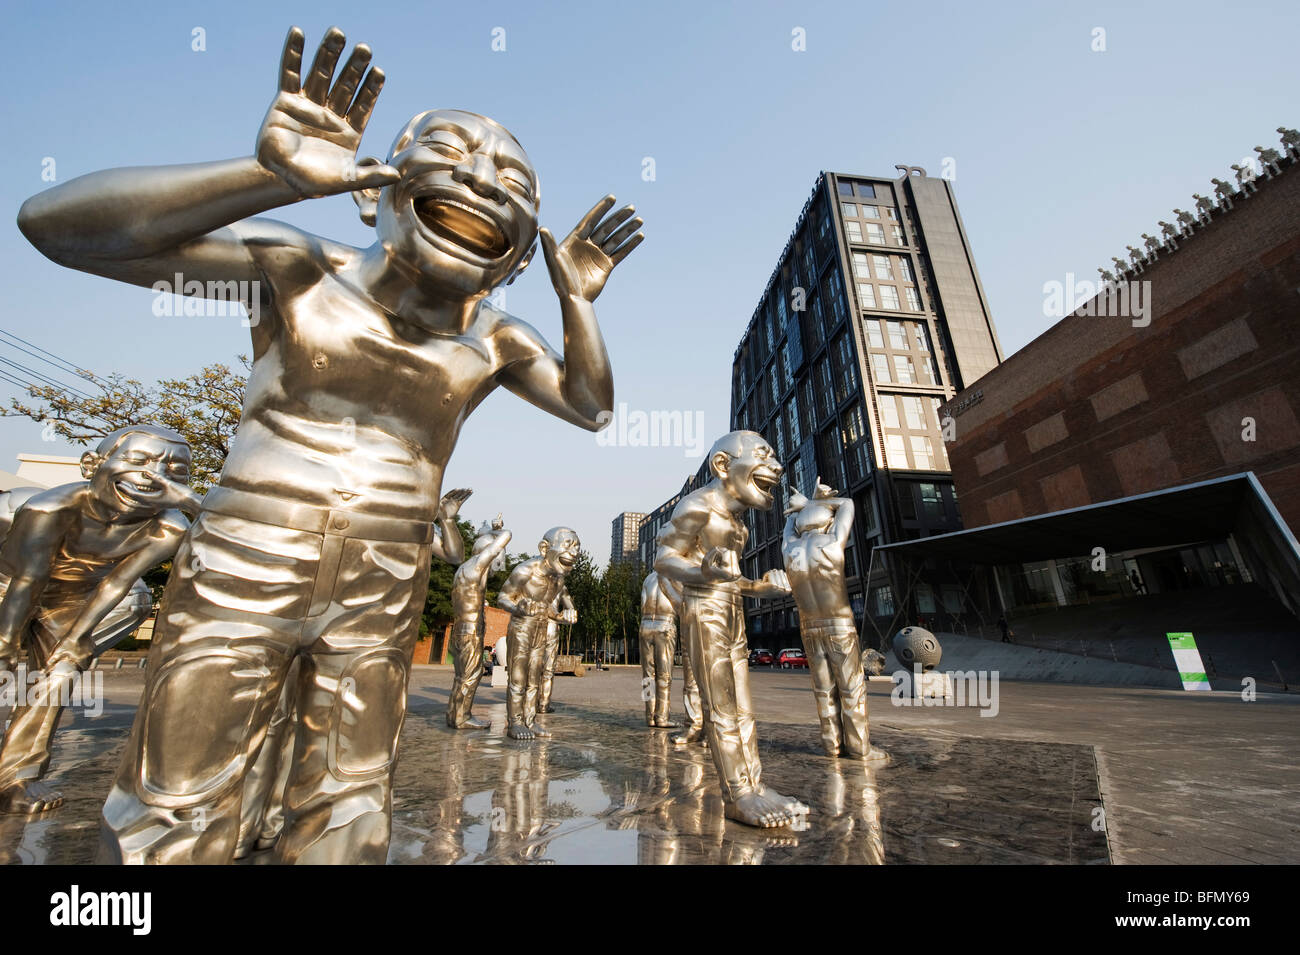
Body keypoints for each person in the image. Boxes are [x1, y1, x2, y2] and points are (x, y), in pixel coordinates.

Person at [18, 25, 641, 864]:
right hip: (246, 553)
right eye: (452, 153)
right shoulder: (298, 266)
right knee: (174, 800)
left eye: (512, 181)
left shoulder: (499, 338)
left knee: (348, 802)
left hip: (384, 579)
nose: (481, 181)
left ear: (520, 252)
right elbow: (58, 228)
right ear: (367, 191)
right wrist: (267, 176)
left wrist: (579, 301)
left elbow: (591, 405)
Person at [0, 426, 199, 814]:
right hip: (10, 586)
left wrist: (77, 639)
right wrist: (7, 639)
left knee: (60, 673)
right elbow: (27, 579)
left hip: (74, 598)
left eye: (176, 472)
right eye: (139, 462)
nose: (154, 477)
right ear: (93, 464)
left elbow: (118, 582)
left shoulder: (170, 525)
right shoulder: (49, 507)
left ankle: (16, 778)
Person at [654, 431, 808, 828]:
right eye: (763, 456)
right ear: (723, 466)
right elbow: (664, 557)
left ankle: (755, 785)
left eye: (774, 457)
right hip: (703, 612)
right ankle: (736, 795)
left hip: (732, 610)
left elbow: (730, 578)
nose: (776, 467)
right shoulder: (697, 506)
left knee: (744, 708)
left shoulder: (738, 525)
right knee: (721, 707)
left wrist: (760, 587)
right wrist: (699, 572)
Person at [781, 480, 883, 761]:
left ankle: (831, 745)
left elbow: (789, 526)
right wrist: (816, 503)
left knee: (823, 689)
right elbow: (848, 504)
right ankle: (860, 748)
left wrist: (799, 511)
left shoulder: (790, 550)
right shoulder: (833, 541)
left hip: (808, 627)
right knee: (851, 687)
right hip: (839, 625)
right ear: (828, 521)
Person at [497, 528, 579, 740]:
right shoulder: (524, 571)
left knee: (535, 676)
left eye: (577, 547)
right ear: (544, 548)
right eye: (568, 545)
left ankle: (530, 721)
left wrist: (562, 617)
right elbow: (503, 598)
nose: (574, 552)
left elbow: (549, 609)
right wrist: (518, 607)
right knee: (518, 676)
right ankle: (515, 723)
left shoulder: (558, 579)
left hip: (542, 627)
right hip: (522, 627)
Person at [447, 513, 511, 729]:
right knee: (470, 675)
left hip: (459, 629)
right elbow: (506, 536)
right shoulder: (476, 567)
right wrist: (496, 529)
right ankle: (461, 717)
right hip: (470, 631)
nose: (497, 565)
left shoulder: (462, 570)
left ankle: (454, 714)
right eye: (497, 559)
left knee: (461, 676)